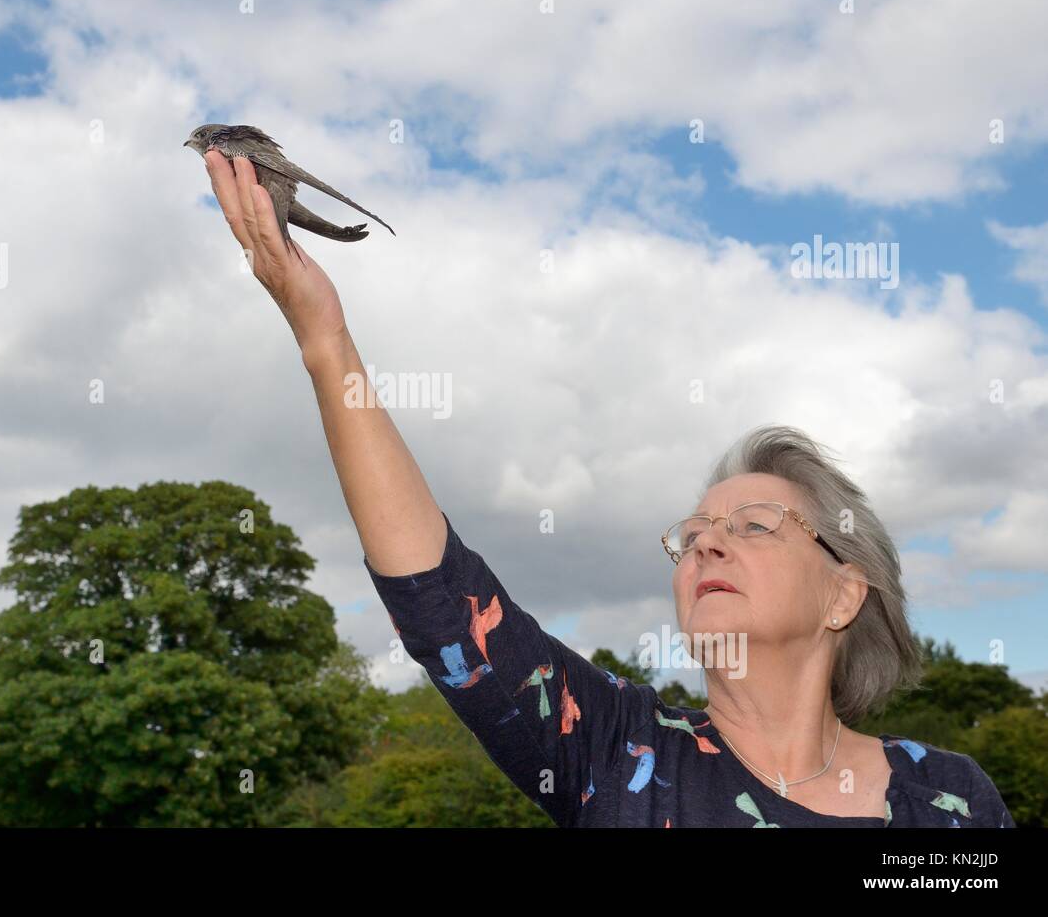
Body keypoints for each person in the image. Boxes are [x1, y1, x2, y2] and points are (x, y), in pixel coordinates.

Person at [201, 150, 1016, 828]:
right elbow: (442, 599)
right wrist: (324, 340)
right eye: (691, 534)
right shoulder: (616, 752)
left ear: (844, 593)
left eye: (756, 525)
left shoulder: (947, 803)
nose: (706, 543)